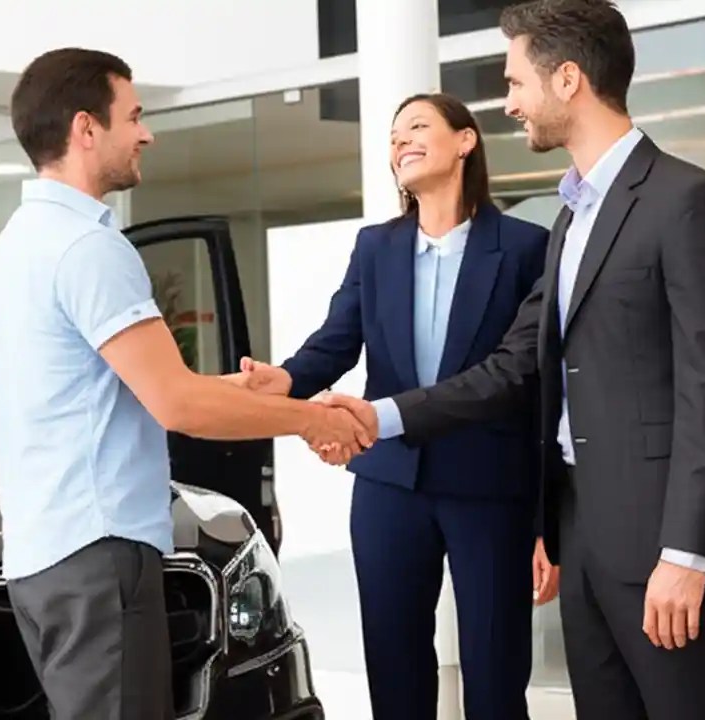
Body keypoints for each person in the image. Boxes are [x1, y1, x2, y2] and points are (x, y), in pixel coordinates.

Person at [317, 1, 705, 718]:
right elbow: (516, 367)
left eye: (516, 82)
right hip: (582, 537)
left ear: (569, 79)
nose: (510, 103)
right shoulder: (570, 220)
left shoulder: (684, 200)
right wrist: (378, 416)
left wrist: (687, 553)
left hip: (657, 548)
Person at [0, 47, 371, 720]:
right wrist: (314, 419)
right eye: (133, 116)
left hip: (50, 557)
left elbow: (131, 386)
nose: (147, 133)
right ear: (85, 128)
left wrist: (256, 393)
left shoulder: (21, 241)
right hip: (98, 555)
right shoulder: (88, 248)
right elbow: (178, 402)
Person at [240, 92, 556, 719]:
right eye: (392, 137)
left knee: (495, 673)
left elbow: (535, 388)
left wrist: (548, 522)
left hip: (490, 487)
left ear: (465, 140)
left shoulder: (526, 247)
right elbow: (335, 342)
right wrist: (284, 379)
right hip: (389, 484)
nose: (400, 143)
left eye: (417, 127)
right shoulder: (376, 246)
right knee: (394, 666)